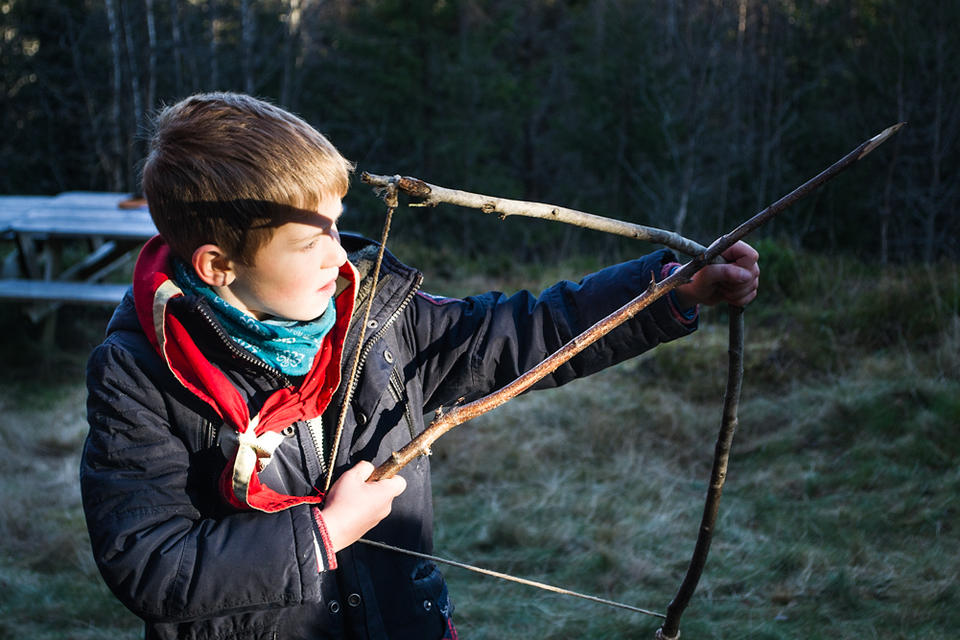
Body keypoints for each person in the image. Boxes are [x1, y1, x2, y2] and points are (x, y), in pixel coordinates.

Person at [80, 92, 759, 640]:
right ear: (217, 267)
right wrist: (324, 534)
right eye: (306, 243)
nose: (337, 257)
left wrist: (668, 288)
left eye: (336, 222)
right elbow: (148, 562)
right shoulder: (140, 374)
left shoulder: (375, 315)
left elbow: (525, 332)